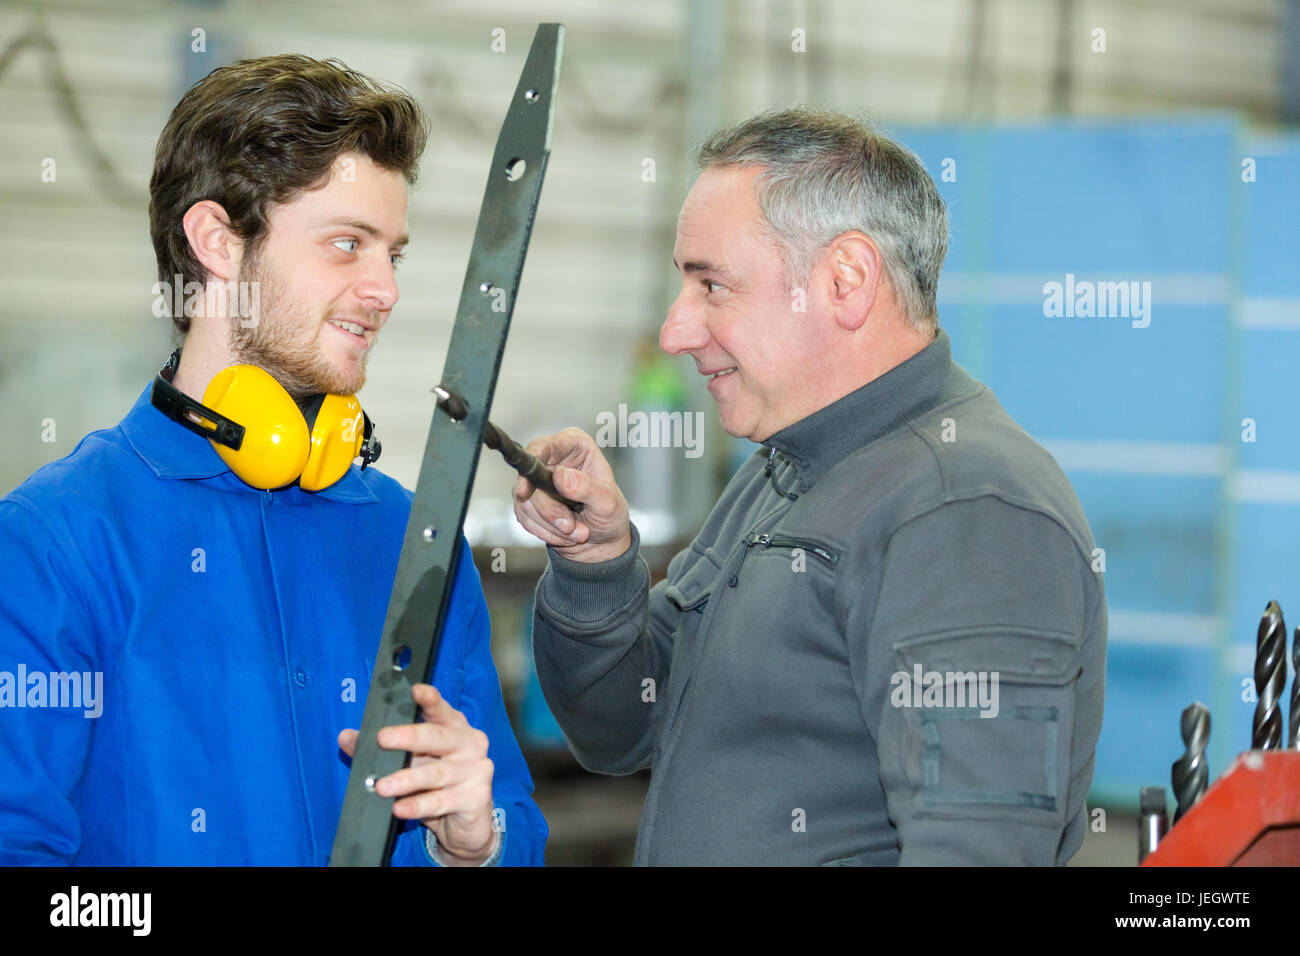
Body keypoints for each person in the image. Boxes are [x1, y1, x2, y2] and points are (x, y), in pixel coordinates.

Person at [513, 107, 1106, 865]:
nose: (675, 331)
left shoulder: (963, 509)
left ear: (846, 280)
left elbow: (975, 850)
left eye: (712, 286)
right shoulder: (785, 470)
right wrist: (597, 563)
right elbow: (623, 729)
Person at [0, 54, 546, 866]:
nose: (385, 289)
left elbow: (512, 823)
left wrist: (473, 843)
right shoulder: (56, 542)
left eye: (391, 254)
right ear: (218, 243)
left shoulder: (412, 536)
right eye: (346, 244)